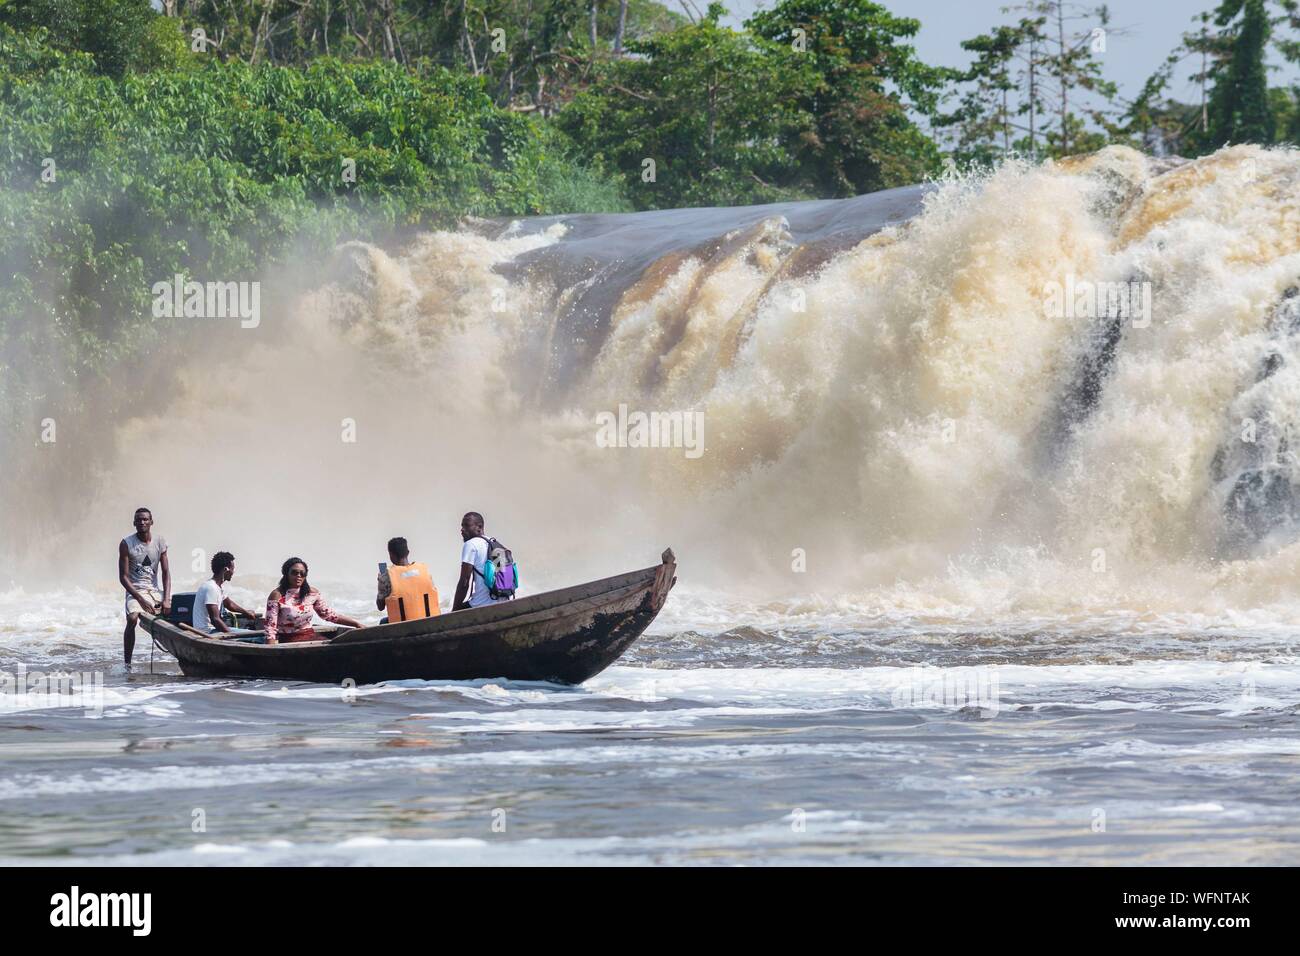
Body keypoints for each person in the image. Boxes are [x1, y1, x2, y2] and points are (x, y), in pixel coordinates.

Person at [118, 507, 171, 669]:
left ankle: (183, 653)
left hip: (154, 591)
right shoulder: (127, 543)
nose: (142, 522)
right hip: (136, 592)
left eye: (145, 519)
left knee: (177, 612)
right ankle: (127, 664)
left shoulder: (160, 541)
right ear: (134, 523)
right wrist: (140, 600)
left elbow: (166, 572)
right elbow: (123, 577)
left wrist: (167, 599)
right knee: (132, 619)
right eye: (139, 520)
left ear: (151, 522)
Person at [264, 557, 362, 644]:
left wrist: (356, 624)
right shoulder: (276, 595)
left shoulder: (312, 593)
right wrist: (271, 649)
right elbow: (271, 627)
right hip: (288, 640)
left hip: (309, 636)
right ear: (286, 573)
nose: (299, 576)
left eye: (302, 573)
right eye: (294, 572)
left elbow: (329, 615)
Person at [453, 511, 511, 611]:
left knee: (456, 610)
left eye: (466, 526)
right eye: (462, 526)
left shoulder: (471, 544)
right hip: (503, 602)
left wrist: (453, 612)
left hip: (481, 604)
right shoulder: (495, 543)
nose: (462, 530)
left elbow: (464, 582)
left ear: (479, 527)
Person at [193, 551, 262, 635]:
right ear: (226, 569)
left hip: (213, 630)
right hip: (207, 632)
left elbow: (229, 604)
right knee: (258, 636)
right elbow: (215, 620)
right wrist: (232, 635)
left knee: (253, 634)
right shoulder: (211, 588)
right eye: (232, 569)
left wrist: (246, 612)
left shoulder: (217, 587)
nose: (233, 572)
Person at [376, 537, 440, 622]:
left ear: (391, 555)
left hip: (402, 625)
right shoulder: (424, 570)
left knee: (383, 621)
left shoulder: (386, 576)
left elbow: (380, 607)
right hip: (430, 620)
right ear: (408, 552)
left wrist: (380, 582)